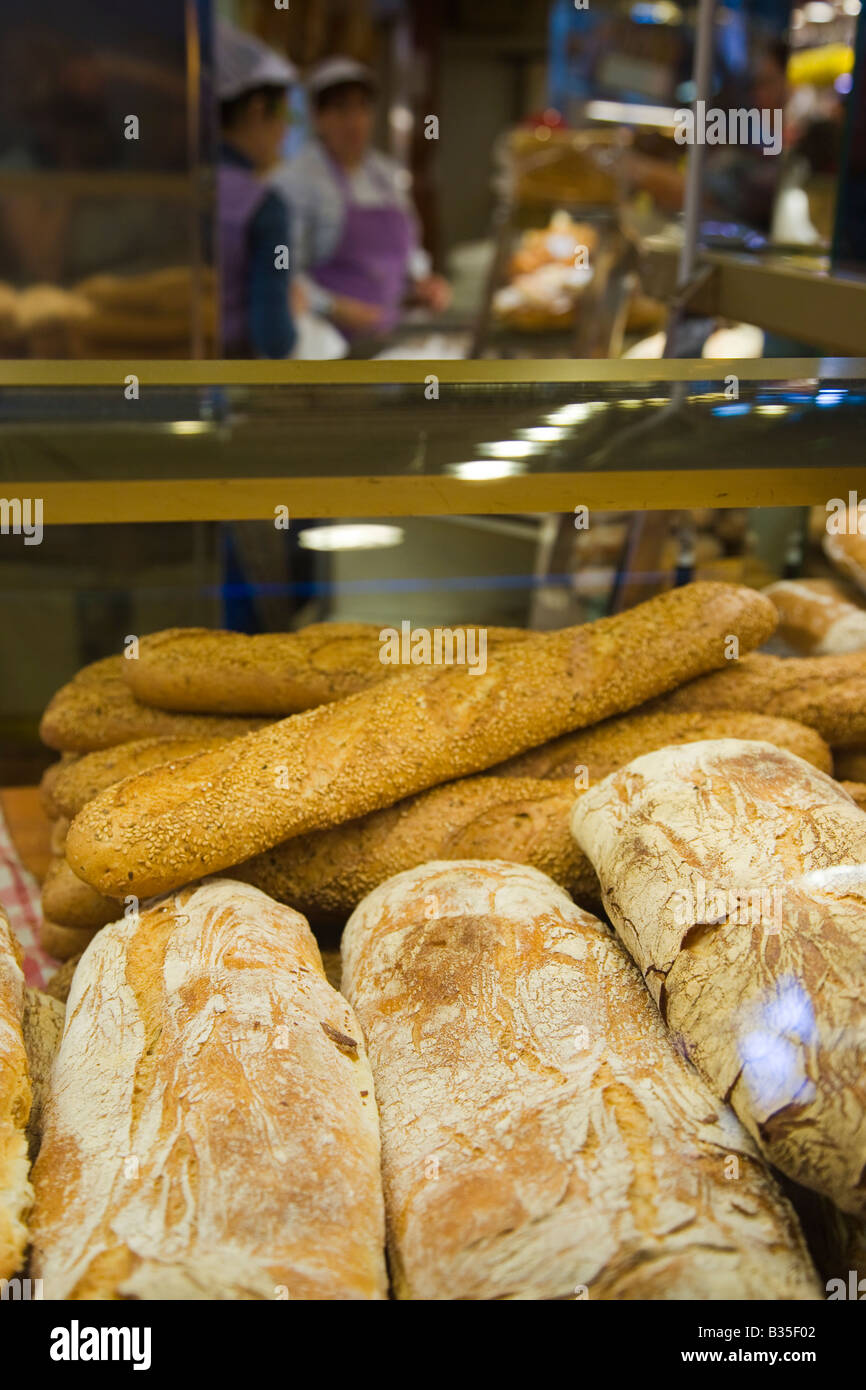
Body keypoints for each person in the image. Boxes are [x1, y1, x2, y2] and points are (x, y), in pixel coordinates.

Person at [270, 56, 450, 341]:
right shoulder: (295, 181)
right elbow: (282, 272)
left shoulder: (388, 176)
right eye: (341, 109)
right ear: (317, 117)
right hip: (326, 344)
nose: (354, 121)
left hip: (388, 337)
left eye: (362, 108)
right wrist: (332, 306)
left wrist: (423, 281)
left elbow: (410, 252)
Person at [216, 21, 297, 357]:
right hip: (227, 385)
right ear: (257, 110)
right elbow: (273, 336)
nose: (284, 133)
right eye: (284, 116)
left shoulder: (173, 187)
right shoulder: (265, 207)